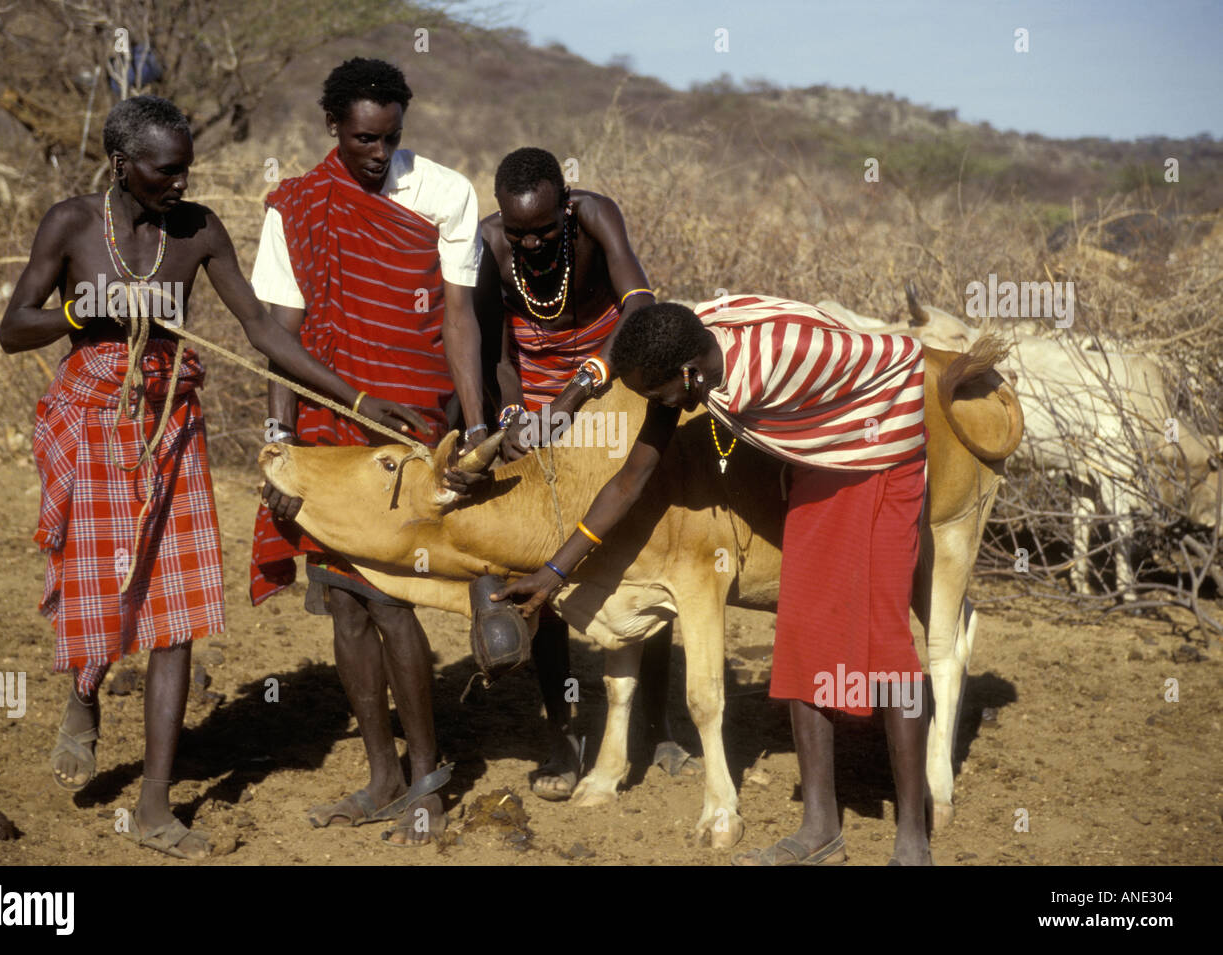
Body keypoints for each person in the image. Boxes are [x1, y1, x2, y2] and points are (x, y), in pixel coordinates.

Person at [0, 95, 370, 860]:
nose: (178, 182)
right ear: (121, 164)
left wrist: (354, 395)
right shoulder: (72, 224)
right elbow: (13, 327)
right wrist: (82, 309)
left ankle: (156, 804)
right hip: (94, 415)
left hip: (172, 420)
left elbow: (263, 329)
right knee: (103, 585)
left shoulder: (197, 230)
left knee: (174, 611)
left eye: (185, 169)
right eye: (165, 170)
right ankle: (83, 693)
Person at [495, 296, 934, 866]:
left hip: (881, 455)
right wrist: (553, 573)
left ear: (688, 375)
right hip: (823, 463)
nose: (658, 409)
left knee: (885, 647)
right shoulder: (685, 354)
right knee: (802, 639)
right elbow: (632, 478)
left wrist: (843, 433)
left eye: (657, 398)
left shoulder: (777, 357)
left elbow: (903, 357)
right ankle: (821, 827)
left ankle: (913, 839)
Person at [251, 57, 482, 846]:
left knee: (389, 595)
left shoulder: (447, 193)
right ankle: (382, 772)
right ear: (332, 129)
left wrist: (473, 422)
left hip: (408, 425)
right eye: (361, 139)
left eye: (389, 138)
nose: (377, 154)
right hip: (325, 425)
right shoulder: (297, 205)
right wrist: (280, 446)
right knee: (342, 601)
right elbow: (282, 334)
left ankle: (427, 775)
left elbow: (459, 317)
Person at [464, 147, 696, 801]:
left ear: (566, 207)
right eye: (519, 231)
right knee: (541, 560)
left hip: (611, 381)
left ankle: (662, 723)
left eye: (543, 229)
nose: (531, 242)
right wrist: (512, 415)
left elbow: (639, 305)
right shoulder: (488, 243)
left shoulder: (595, 218)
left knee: (639, 547)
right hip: (534, 400)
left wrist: (580, 389)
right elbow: (491, 343)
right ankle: (562, 735)